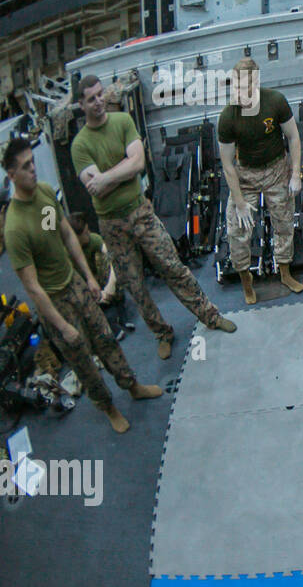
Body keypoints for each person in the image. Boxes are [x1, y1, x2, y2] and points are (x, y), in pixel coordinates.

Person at [4, 137, 163, 434]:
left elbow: (64, 236)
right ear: (11, 175)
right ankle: (109, 408)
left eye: (33, 162)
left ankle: (132, 386)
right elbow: (33, 288)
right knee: (83, 362)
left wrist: (89, 277)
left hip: (75, 283)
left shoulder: (45, 193)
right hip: (55, 303)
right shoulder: (14, 228)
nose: (33, 169)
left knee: (106, 339)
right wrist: (62, 326)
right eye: (25, 167)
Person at [70, 75, 236, 360]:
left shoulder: (122, 121)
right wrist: (123, 169)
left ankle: (209, 314)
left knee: (173, 267)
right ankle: (163, 333)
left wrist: (113, 175)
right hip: (112, 225)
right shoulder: (79, 145)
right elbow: (94, 187)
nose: (98, 102)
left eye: (100, 95)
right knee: (135, 286)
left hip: (141, 213)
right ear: (80, 105)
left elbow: (137, 163)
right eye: (91, 99)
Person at [217, 57, 303, 303]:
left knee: (284, 223)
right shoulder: (228, 116)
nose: (238, 93)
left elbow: (294, 138)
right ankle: (247, 281)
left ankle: (285, 273)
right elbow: (227, 164)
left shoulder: (275, 101)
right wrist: (239, 201)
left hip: (277, 168)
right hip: (245, 175)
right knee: (237, 230)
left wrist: (295, 174)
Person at [68, 212, 133, 340]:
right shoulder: (66, 253)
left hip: (98, 280)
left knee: (108, 261)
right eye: (85, 233)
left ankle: (120, 309)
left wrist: (110, 287)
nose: (89, 234)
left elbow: (113, 259)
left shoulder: (93, 239)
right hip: (83, 286)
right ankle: (106, 323)